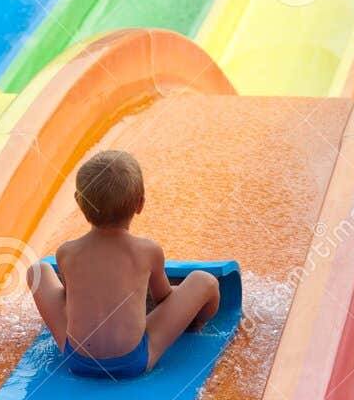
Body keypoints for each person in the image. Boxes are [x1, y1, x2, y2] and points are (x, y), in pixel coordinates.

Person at [29, 150, 220, 380]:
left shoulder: (67, 252)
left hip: (77, 360)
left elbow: (70, 300)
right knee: (204, 281)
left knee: (37, 271)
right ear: (140, 204)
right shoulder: (148, 251)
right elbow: (163, 299)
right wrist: (183, 305)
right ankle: (194, 325)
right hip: (131, 363)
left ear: (79, 202)